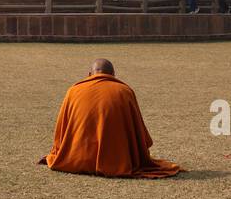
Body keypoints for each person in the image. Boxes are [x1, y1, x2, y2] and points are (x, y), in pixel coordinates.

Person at [39, 59, 183, 179]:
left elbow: (61, 130)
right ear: (113, 75)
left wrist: (58, 152)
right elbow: (137, 129)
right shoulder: (124, 91)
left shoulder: (73, 91)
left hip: (75, 159)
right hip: (116, 161)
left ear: (89, 74)